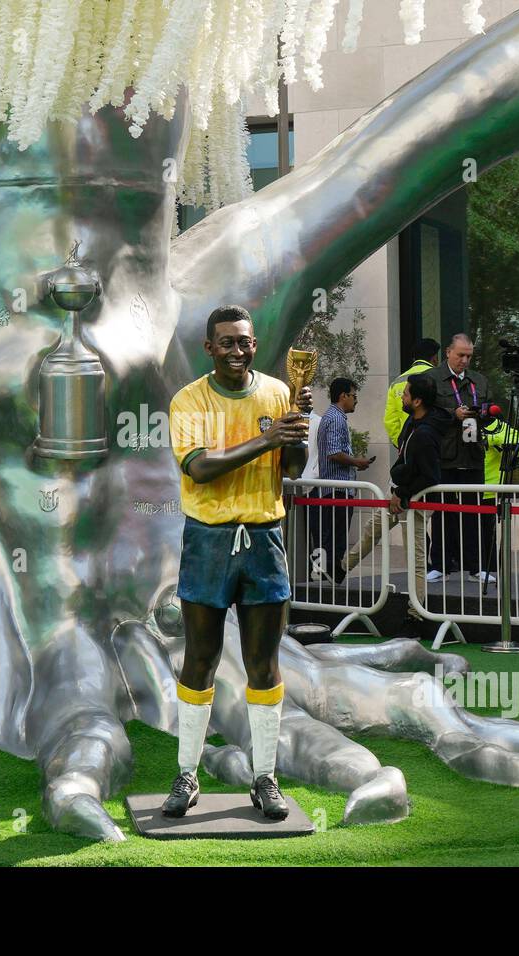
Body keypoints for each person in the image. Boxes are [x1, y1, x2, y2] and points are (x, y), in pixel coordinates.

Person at [164, 304, 313, 821]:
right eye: (226, 342)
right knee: (199, 658)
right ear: (209, 348)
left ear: (254, 344)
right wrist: (268, 437)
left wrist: (297, 427)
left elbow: (291, 469)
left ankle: (265, 777)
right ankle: (187, 774)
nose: (236, 350)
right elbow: (201, 469)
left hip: (264, 537)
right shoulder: (188, 400)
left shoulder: (277, 393)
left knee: (264, 663)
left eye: (244, 342)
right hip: (207, 539)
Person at [423, 333, 493, 584]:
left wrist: (483, 414)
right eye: (460, 355)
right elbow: (425, 414)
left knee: (474, 512)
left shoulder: (479, 381)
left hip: (473, 453)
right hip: (445, 455)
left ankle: (477, 566)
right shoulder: (432, 379)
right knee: (442, 512)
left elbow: (490, 411)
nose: (465, 360)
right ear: (448, 353)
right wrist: (453, 414)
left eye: (469, 356)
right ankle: (440, 563)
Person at [389, 375, 448, 600]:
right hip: (401, 492)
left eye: (405, 393)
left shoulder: (425, 434)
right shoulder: (412, 422)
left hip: (413, 499)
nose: (401, 397)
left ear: (417, 401)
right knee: (372, 528)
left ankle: (416, 611)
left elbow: (430, 476)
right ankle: (342, 568)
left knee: (416, 558)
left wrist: (401, 492)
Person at [314, 377, 374, 582]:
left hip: (335, 487)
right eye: (354, 396)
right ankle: (332, 576)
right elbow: (333, 453)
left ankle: (330, 575)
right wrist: (357, 462)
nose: (356, 401)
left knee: (333, 534)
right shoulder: (336, 418)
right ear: (343, 396)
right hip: (337, 488)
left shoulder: (332, 417)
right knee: (336, 536)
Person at [478, 412, 519, 579]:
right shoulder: (468, 425)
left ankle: (488, 567)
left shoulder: (499, 427)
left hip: (489, 489)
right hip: (465, 487)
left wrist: (492, 440)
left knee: (487, 532)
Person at [384, 338, 440, 448]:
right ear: (434, 358)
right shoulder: (438, 377)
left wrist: (402, 443)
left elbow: (390, 420)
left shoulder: (396, 382)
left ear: (414, 358)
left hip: (407, 443)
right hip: (433, 442)